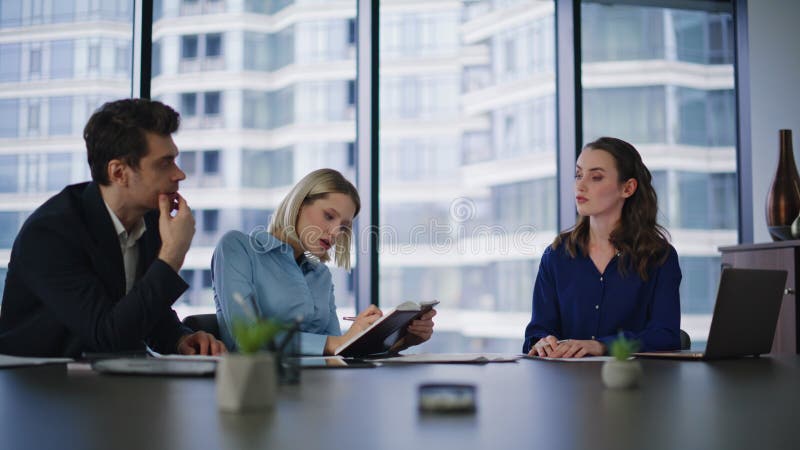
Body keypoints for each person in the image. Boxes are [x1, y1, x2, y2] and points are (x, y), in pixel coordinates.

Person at [0, 98, 225, 357]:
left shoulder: (151, 219)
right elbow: (107, 337)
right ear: (118, 173)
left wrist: (179, 339)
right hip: (41, 377)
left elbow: (142, 311)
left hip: (109, 375)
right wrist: (172, 255)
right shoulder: (50, 234)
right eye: (165, 163)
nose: (179, 174)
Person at [212, 168, 436, 355]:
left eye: (344, 227)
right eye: (329, 216)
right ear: (299, 205)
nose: (335, 232)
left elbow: (338, 350)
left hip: (317, 386)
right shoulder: (237, 248)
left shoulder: (321, 276)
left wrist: (403, 340)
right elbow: (248, 338)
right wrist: (339, 342)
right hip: (258, 387)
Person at [523, 137, 681, 358]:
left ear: (627, 188)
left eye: (596, 177)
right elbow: (537, 331)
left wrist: (602, 345)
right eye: (578, 175)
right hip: (566, 379)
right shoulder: (556, 255)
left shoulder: (659, 256)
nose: (580, 185)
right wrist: (542, 342)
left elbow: (666, 335)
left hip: (634, 377)